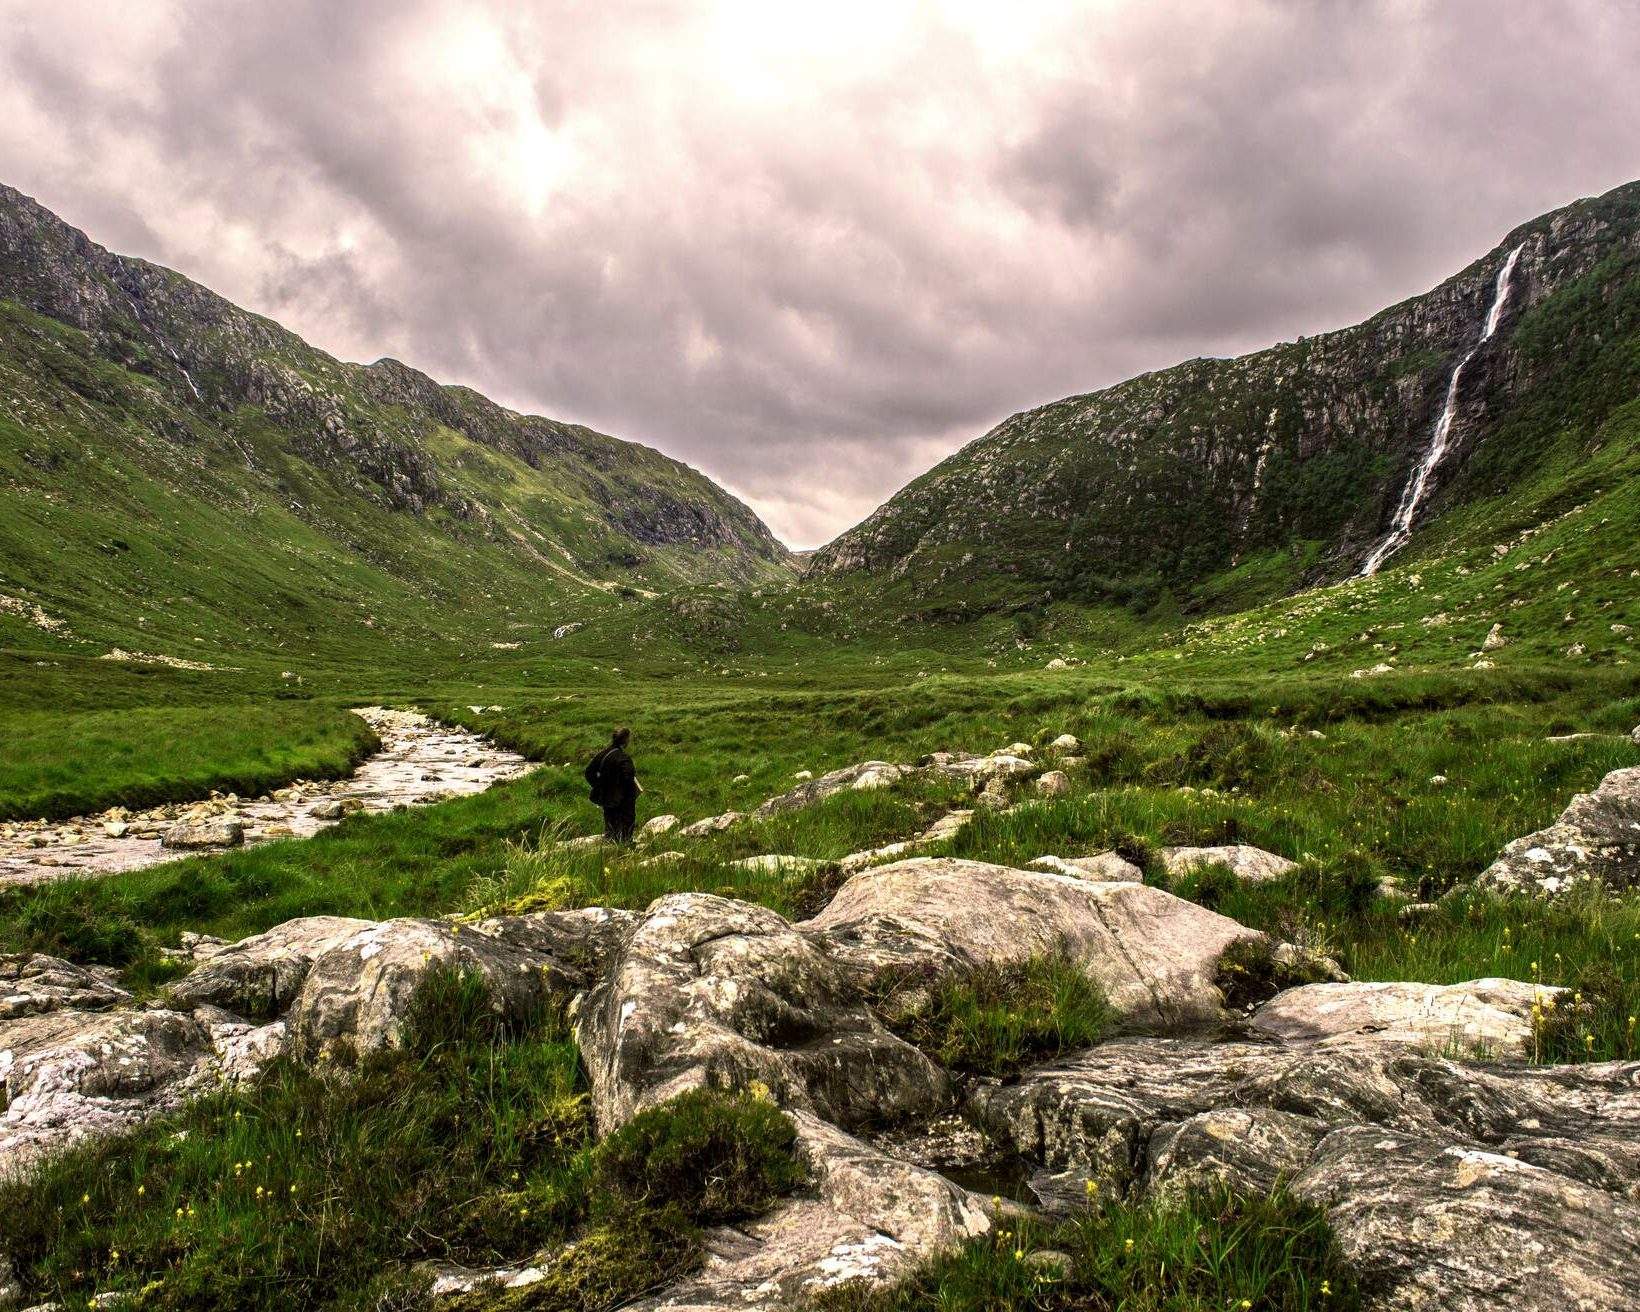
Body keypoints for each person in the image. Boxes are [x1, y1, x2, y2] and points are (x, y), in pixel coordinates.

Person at [585, 727, 639, 843]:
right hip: (623, 799)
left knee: (610, 822)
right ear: (625, 740)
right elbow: (628, 779)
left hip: (607, 797)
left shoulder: (602, 754)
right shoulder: (624, 758)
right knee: (625, 825)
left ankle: (610, 844)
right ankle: (624, 846)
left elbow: (588, 773)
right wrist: (630, 793)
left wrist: (599, 786)